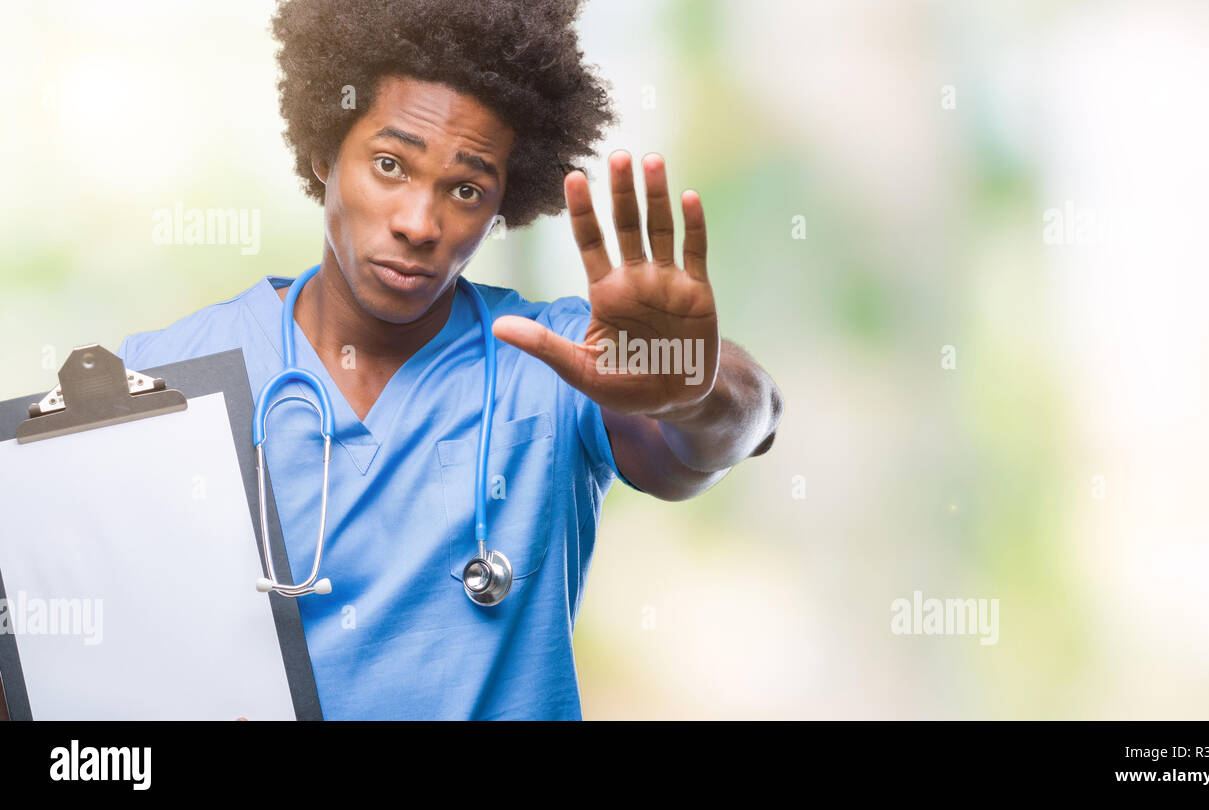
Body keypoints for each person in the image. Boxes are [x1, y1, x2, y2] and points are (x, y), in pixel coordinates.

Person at [116, 0, 783, 720]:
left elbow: (737, 431)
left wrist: (693, 389)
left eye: (465, 189)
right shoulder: (167, 377)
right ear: (323, 153)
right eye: (388, 164)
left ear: (503, 203)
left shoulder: (556, 360)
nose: (418, 224)